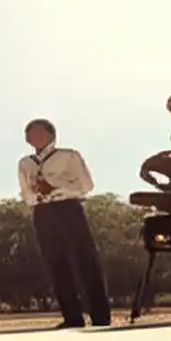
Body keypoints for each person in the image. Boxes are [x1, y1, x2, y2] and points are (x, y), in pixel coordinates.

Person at [18, 119, 110, 329]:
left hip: (67, 207)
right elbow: (25, 191)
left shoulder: (68, 156)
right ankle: (72, 316)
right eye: (30, 134)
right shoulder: (26, 163)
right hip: (42, 211)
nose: (35, 138)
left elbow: (85, 185)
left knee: (85, 260)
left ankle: (100, 315)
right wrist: (36, 197)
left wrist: (55, 189)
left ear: (51, 134)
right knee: (55, 263)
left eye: (39, 133)